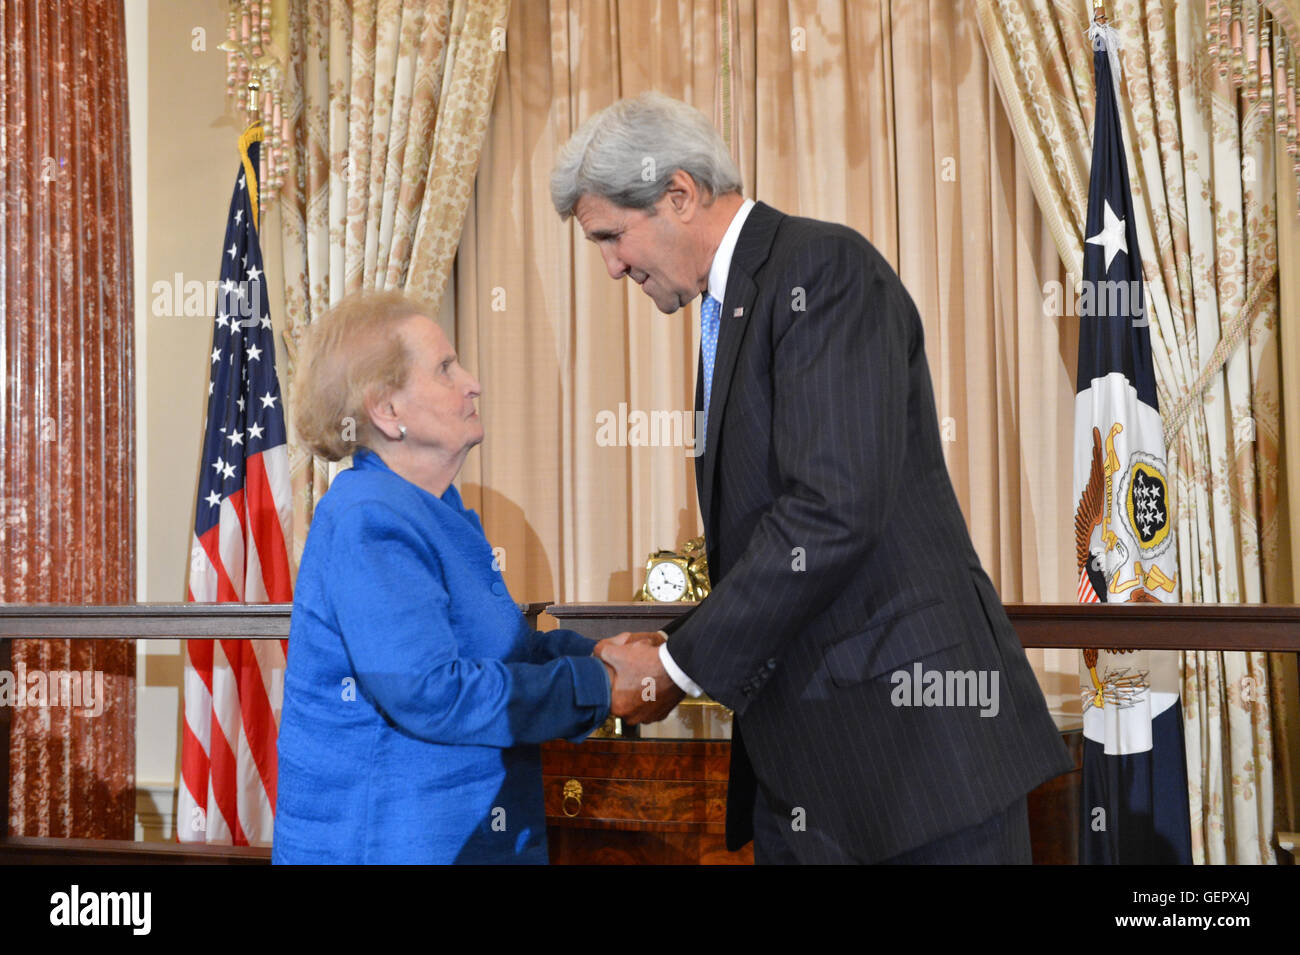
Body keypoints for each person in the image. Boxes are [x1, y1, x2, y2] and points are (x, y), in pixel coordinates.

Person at [551, 92, 1074, 864]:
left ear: (679, 193)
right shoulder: (733, 306)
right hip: (816, 776)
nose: (609, 265)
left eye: (611, 236)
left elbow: (831, 512)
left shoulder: (823, 269)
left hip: (916, 766)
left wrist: (673, 663)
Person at [272, 291, 612, 864]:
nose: (472, 382)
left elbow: (509, 652)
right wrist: (597, 685)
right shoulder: (369, 518)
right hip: (389, 843)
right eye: (446, 369)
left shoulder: (436, 506)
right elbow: (431, 692)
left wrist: (605, 655)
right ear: (386, 411)